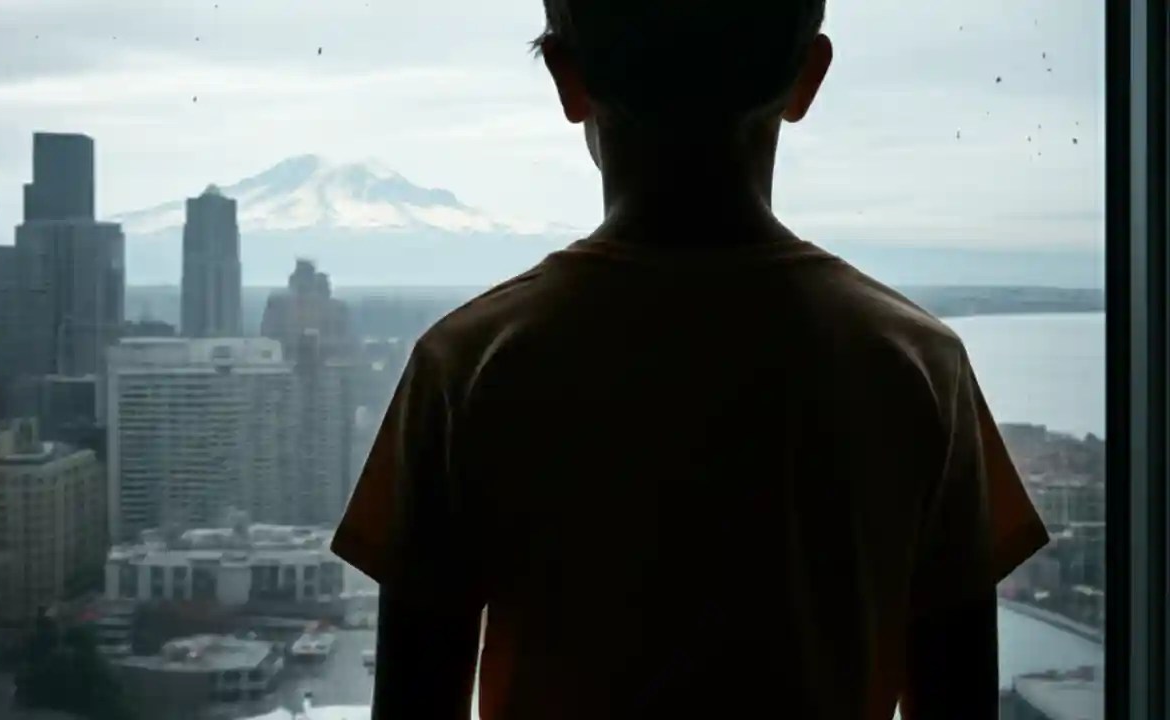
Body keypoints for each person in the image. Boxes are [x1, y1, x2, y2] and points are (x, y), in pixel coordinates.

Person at [331, 1, 1049, 718]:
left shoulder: (468, 364)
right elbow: (958, 697)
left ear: (566, 78)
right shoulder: (916, 364)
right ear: (809, 77)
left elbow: (415, 698)